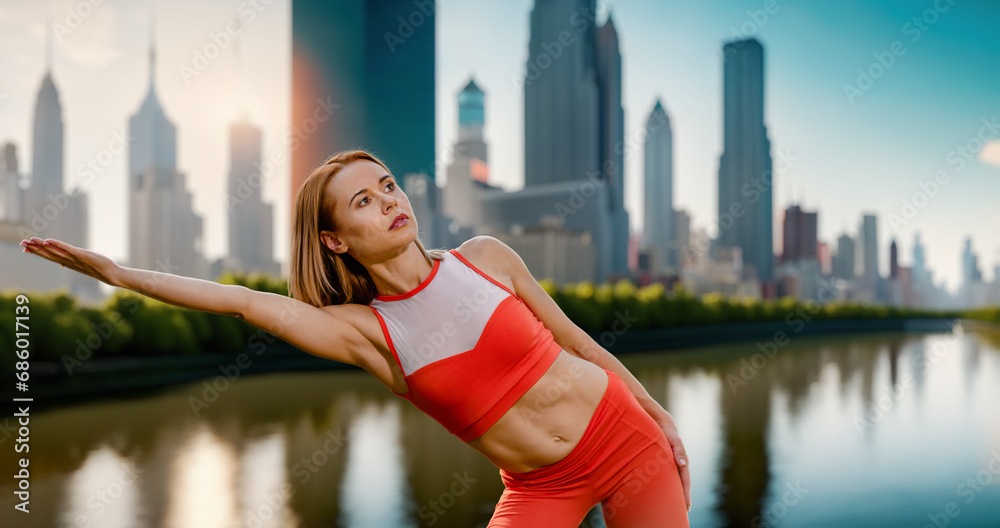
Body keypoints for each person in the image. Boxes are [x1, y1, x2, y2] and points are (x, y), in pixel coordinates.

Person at [21, 149, 691, 527]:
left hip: (626, 436)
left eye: (388, 185)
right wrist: (115, 273)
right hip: (540, 486)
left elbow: (578, 342)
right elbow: (243, 302)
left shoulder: (484, 256)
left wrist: (659, 415)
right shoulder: (369, 333)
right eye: (364, 201)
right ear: (336, 239)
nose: (390, 199)